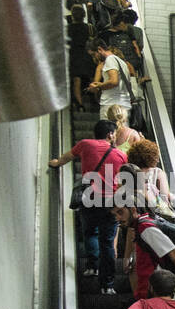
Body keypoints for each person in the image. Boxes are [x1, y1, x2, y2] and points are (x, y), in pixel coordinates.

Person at [48, 119, 128, 293]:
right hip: (110, 203)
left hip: (88, 197)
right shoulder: (121, 156)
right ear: (110, 134)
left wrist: (55, 163)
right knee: (107, 243)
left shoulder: (85, 145)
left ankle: (93, 266)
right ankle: (107, 285)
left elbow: (68, 157)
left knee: (90, 232)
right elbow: (124, 180)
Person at [111, 200, 175, 299]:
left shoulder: (145, 228)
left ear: (133, 209)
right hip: (149, 286)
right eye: (114, 215)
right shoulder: (143, 222)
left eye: (120, 212)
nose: (118, 218)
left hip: (153, 288)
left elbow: (174, 253)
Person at [126, 139, 175, 218]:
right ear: (150, 158)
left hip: (134, 216)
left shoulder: (128, 171)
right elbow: (164, 198)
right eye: (156, 157)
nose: (158, 160)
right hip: (152, 217)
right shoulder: (158, 173)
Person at [87, 40, 132, 119]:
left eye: (94, 54)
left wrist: (98, 86)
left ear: (99, 49)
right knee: (122, 131)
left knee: (109, 130)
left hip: (111, 105)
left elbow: (114, 81)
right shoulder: (121, 62)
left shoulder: (110, 60)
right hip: (123, 104)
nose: (94, 57)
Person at [67, 5, 95, 112]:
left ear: (72, 16)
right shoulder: (89, 27)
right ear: (84, 15)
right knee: (92, 78)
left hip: (73, 56)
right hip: (87, 55)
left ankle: (79, 104)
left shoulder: (68, 29)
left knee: (76, 80)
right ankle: (95, 100)